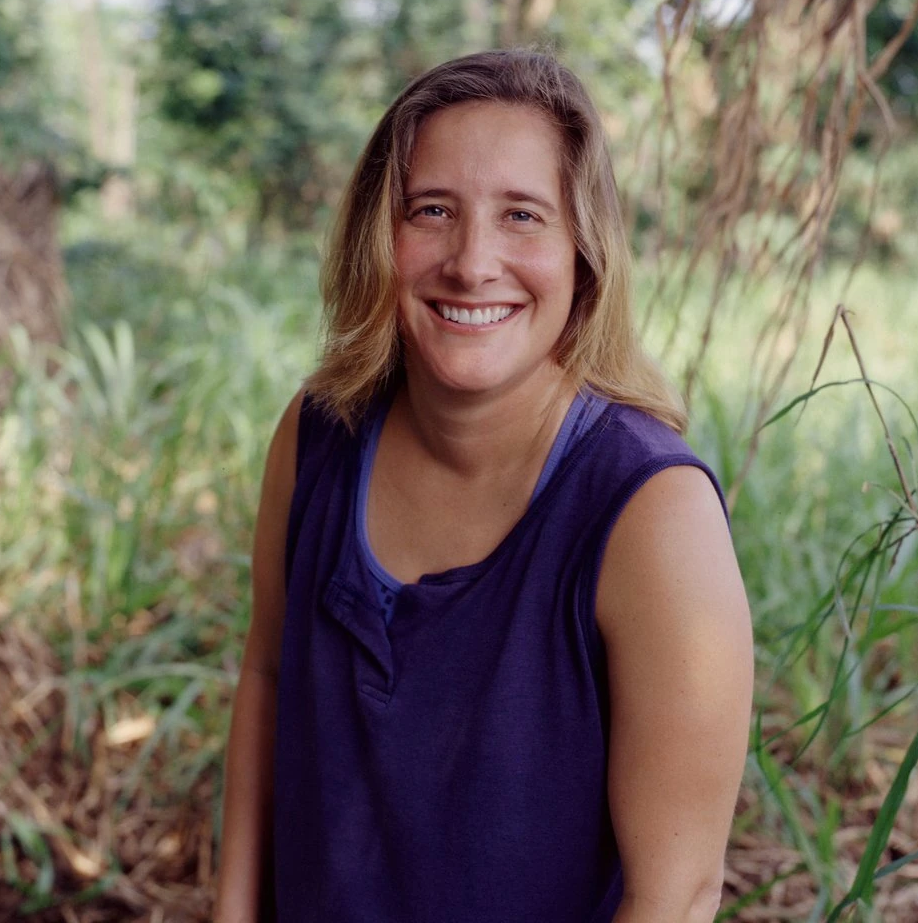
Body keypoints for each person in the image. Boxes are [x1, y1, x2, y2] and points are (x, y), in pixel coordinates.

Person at [214, 50, 753, 923]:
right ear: (375, 236)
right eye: (431, 211)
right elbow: (267, 675)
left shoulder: (651, 511)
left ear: (583, 252)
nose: (472, 262)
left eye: (522, 216)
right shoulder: (318, 433)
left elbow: (674, 895)